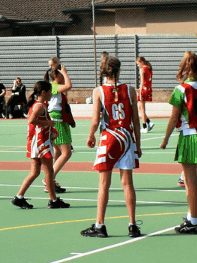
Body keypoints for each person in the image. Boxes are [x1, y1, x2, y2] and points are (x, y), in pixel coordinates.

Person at [81, 54, 142, 239]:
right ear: (119, 70)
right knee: (128, 183)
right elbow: (136, 120)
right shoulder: (130, 90)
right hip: (126, 137)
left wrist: (91, 135)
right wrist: (138, 144)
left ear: (103, 71)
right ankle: (132, 225)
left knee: (103, 184)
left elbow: (95, 120)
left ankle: (100, 225)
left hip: (109, 137)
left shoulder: (99, 91)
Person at [160, 50, 197, 234]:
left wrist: (165, 139)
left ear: (185, 68)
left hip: (190, 135)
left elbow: (173, 117)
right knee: (189, 179)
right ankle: (191, 216)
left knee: (191, 181)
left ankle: (194, 222)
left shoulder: (182, 89)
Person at [11, 80, 70, 210]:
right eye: (50, 92)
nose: (51, 94)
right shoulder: (39, 106)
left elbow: (37, 121)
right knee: (49, 172)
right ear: (43, 92)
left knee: (35, 172)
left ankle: (19, 197)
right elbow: (32, 120)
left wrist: (51, 131)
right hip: (41, 144)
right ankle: (53, 200)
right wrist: (49, 124)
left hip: (38, 142)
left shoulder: (39, 105)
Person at [45, 58, 74, 193]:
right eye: (61, 75)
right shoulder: (53, 86)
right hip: (57, 121)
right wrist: (65, 73)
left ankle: (51, 181)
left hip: (58, 119)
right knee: (66, 153)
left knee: (57, 152)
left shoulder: (54, 87)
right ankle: (48, 179)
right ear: (56, 76)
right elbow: (69, 86)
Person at [136, 56, 154, 132]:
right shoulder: (149, 69)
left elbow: (142, 83)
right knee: (140, 108)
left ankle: (144, 126)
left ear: (142, 62)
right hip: (148, 90)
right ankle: (149, 122)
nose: (138, 65)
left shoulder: (142, 69)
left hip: (143, 90)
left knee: (142, 109)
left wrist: (140, 92)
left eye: (138, 64)